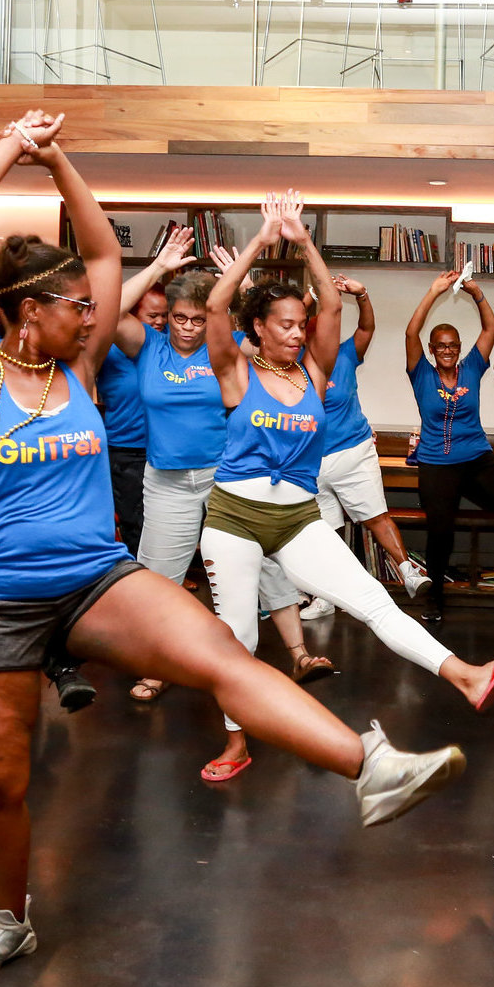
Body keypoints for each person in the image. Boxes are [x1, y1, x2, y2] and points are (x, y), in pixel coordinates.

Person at [0, 114, 465, 986]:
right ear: (27, 314)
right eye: (74, 308)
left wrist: (57, 157)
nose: (94, 313)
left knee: (219, 649)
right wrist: (4, 149)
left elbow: (99, 252)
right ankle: (6, 921)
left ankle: (371, 767)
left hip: (95, 577)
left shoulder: (82, 368)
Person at [195, 193, 494, 781]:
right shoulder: (235, 370)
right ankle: (235, 742)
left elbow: (330, 302)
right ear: (258, 327)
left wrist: (303, 242)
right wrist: (259, 239)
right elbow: (218, 302)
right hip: (234, 518)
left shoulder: (315, 371)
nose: (299, 333)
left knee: (374, 601)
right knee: (238, 639)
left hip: (297, 517)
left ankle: (468, 676)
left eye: (302, 325)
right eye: (286, 325)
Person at [110, 231, 321, 706]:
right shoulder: (148, 345)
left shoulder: (230, 349)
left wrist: (241, 284)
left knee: (265, 562)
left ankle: (300, 653)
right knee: (159, 577)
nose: (187, 327)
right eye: (179, 319)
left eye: (197, 319)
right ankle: (157, 666)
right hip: (167, 482)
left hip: (227, 476)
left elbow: (271, 331)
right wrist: (159, 268)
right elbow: (106, 312)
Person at [298, 273, 433, 618]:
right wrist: (312, 295)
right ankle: (326, 597)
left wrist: (362, 296)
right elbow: (293, 319)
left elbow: (367, 329)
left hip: (353, 452)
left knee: (375, 516)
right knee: (324, 533)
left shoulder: (345, 355)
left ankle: (407, 571)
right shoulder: (292, 363)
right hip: (311, 461)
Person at [405, 270, 494, 626]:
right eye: (440, 345)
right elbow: (411, 331)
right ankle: (436, 598)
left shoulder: (471, 367)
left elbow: (490, 329)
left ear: (459, 349)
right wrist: (433, 291)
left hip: (477, 459)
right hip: (436, 465)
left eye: (452, 345)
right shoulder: (421, 373)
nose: (446, 350)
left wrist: (475, 292)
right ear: (431, 349)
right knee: (440, 531)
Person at [100, 279, 164, 557]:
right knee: (135, 522)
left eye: (165, 314)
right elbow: (110, 311)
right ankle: (141, 578)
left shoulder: (165, 345)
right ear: (133, 315)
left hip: (162, 449)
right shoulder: (108, 348)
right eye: (153, 315)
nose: (161, 321)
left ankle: (166, 575)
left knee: (163, 520)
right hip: (126, 450)